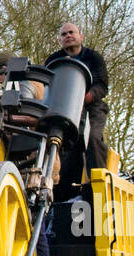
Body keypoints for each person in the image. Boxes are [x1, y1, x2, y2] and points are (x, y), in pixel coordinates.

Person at [44, 22, 109, 172]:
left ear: (81, 36)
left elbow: (102, 86)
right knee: (58, 144)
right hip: (61, 108)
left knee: (92, 138)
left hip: (92, 107)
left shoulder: (94, 57)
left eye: (71, 32)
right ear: (59, 41)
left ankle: (96, 182)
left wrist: (84, 98)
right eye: (64, 34)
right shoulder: (52, 61)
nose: (68, 36)